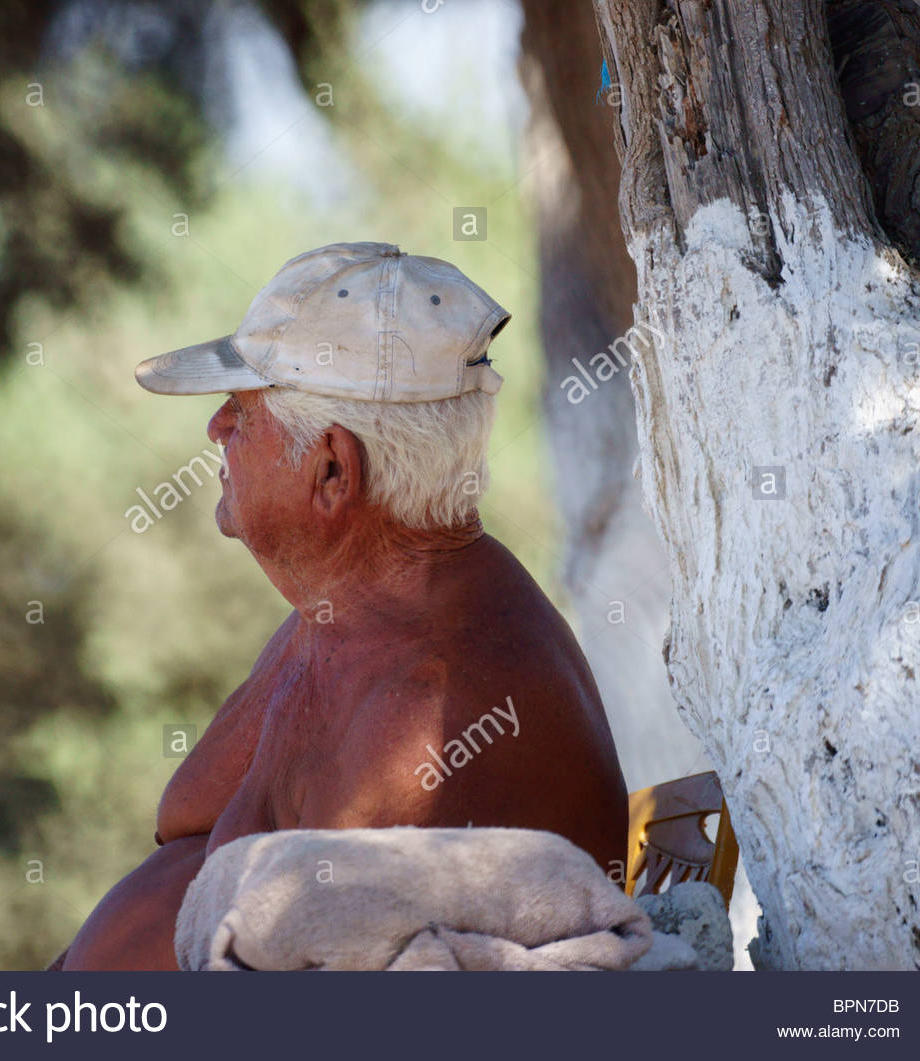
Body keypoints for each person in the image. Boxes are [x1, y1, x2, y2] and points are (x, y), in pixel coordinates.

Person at [54, 242, 627, 970]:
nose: (216, 430)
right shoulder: (346, 613)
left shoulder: (428, 700)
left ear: (331, 469)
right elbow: (185, 813)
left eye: (241, 409)